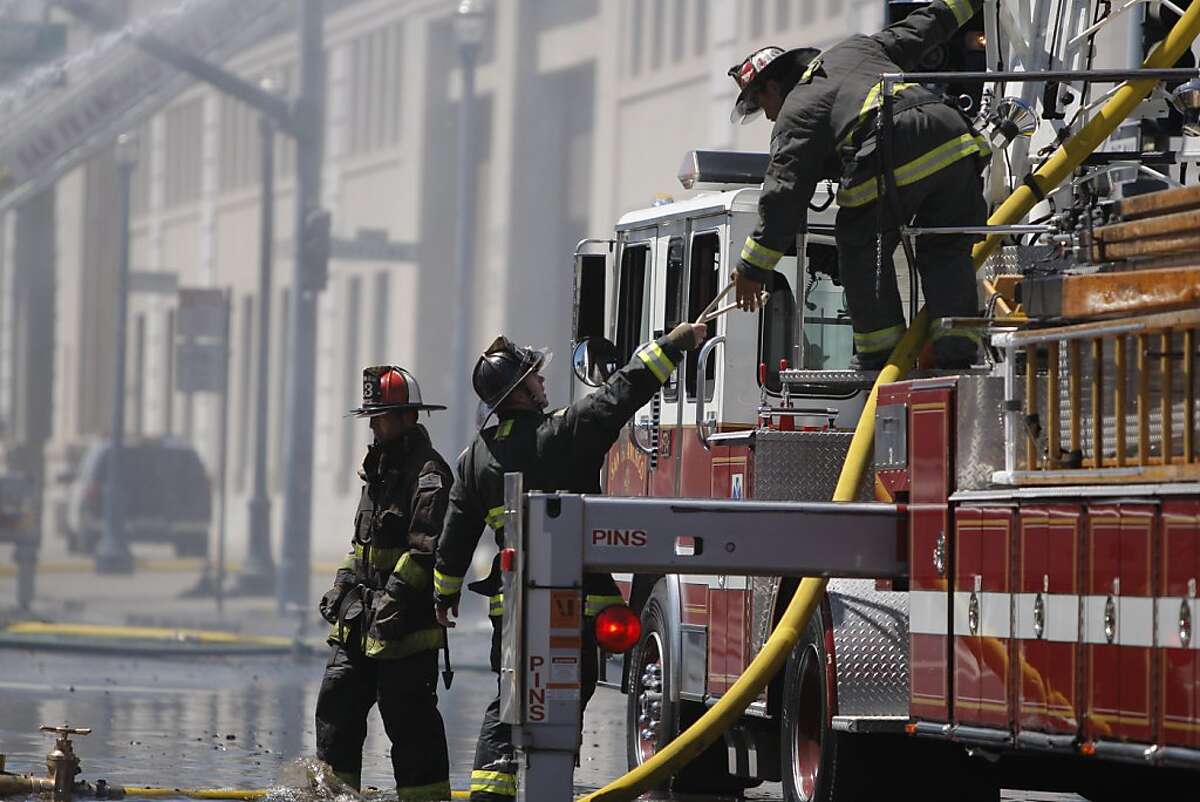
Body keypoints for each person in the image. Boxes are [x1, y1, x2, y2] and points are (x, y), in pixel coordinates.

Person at [433, 323, 707, 802]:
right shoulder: (563, 433)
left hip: (512, 613)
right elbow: (622, 393)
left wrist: (444, 595)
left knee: (510, 698)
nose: (543, 383)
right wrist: (671, 346)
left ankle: (489, 795)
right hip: (576, 611)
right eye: (535, 378)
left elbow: (454, 540)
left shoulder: (476, 458)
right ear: (519, 391)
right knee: (563, 699)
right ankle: (548, 785)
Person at [729, 0, 988, 370]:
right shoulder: (857, 49)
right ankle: (957, 355)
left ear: (773, 85)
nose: (769, 115)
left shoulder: (796, 111)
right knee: (945, 250)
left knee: (859, 245)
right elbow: (922, 28)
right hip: (953, 138)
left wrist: (752, 268)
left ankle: (882, 358)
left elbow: (783, 195)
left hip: (893, 144)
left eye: (761, 102)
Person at [314, 365, 454, 801]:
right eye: (372, 417)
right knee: (336, 703)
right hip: (361, 621)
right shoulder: (377, 469)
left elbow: (423, 550)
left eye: (381, 416)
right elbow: (363, 546)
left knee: (409, 724)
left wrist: (394, 600)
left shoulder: (429, 474)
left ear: (408, 417)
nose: (373, 425)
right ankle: (336, 796)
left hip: (404, 628)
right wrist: (341, 584)